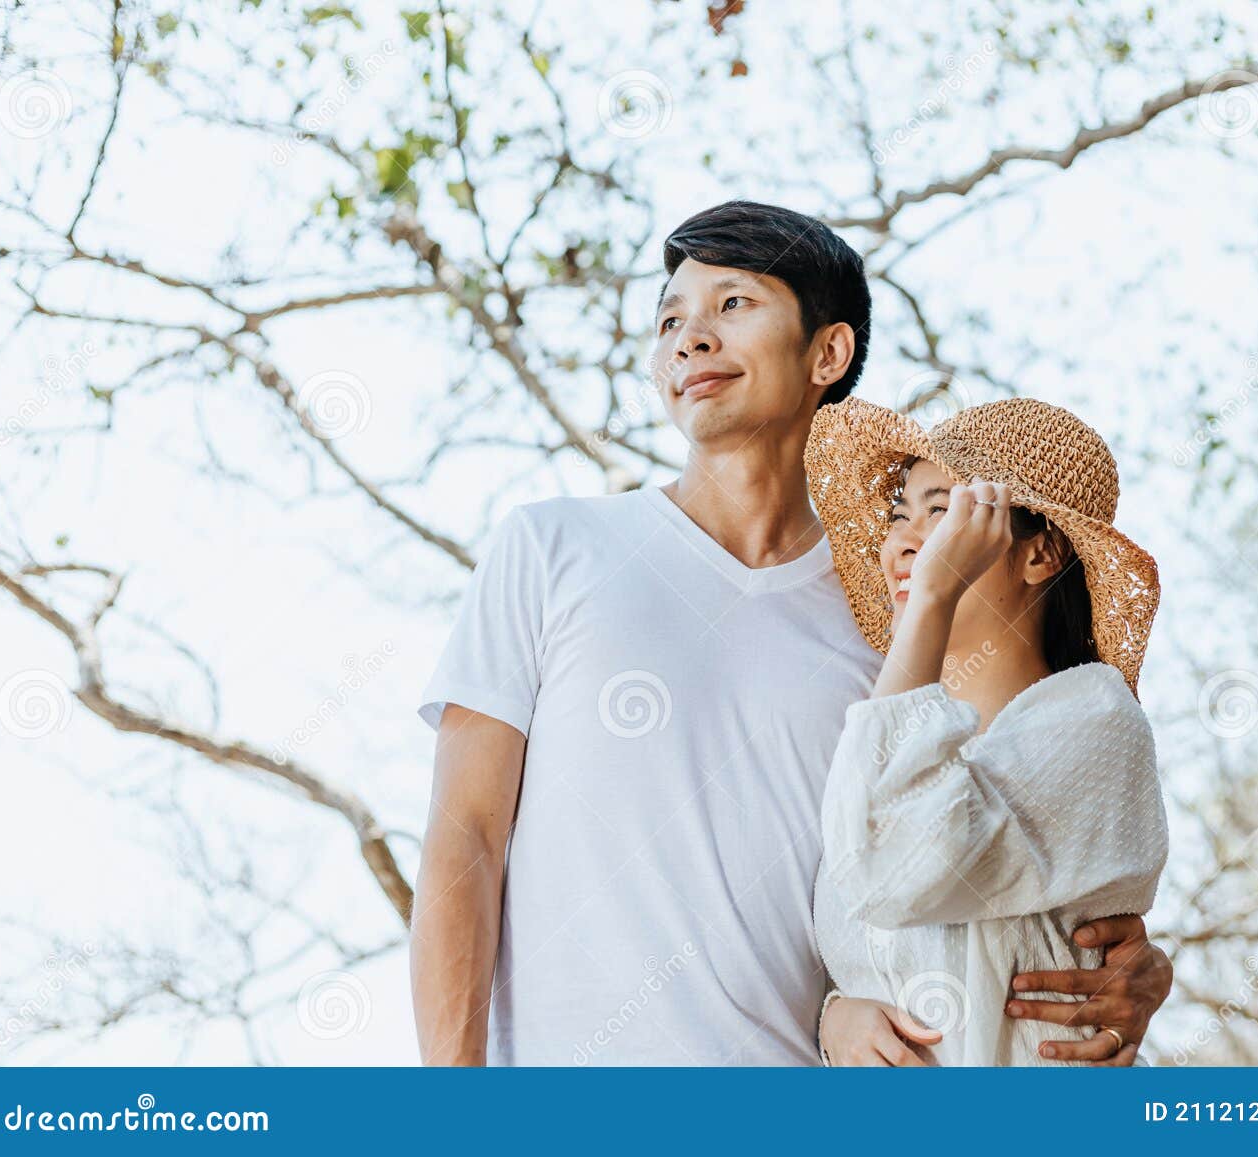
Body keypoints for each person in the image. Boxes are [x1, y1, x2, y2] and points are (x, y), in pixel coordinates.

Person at [411, 200, 1172, 1065]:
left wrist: (1131, 961)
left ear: (828, 353)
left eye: (732, 304)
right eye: (669, 321)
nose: (688, 340)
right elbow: (465, 837)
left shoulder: (900, 627)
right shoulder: (553, 548)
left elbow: (973, 857)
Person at [805, 397, 1166, 1065]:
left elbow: (894, 868)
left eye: (944, 514)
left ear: (1040, 554)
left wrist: (933, 596)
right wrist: (835, 1016)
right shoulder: (886, 737)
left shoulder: (1095, 720)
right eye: (900, 516)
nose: (906, 542)